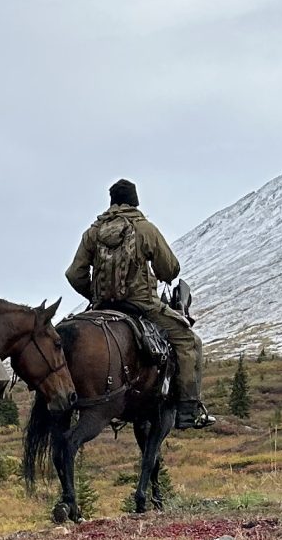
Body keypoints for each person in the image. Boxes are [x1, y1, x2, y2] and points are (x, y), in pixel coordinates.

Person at [65, 179, 213, 427]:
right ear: (135, 201)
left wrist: (95, 296)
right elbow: (170, 269)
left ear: (112, 202)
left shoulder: (92, 233)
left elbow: (74, 274)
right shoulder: (145, 229)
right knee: (189, 341)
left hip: (102, 307)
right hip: (142, 304)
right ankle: (188, 410)